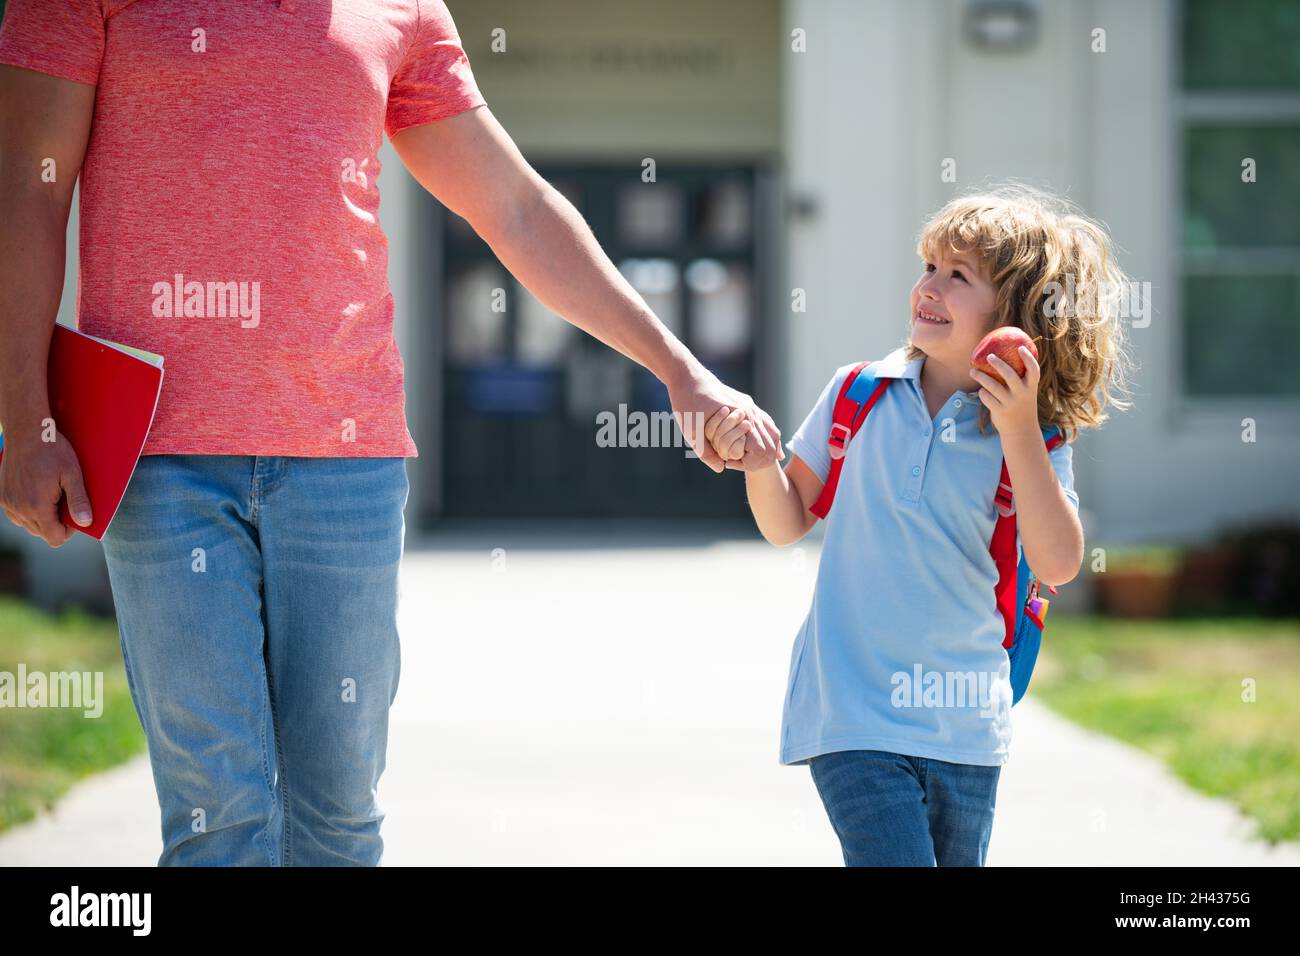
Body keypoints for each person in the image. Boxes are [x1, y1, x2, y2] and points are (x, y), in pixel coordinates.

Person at [0, 0, 779, 866]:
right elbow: (28, 190)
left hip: (346, 460)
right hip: (158, 453)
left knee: (337, 815)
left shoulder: (399, 8)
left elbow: (514, 209)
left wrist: (680, 370)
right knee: (219, 814)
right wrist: (25, 420)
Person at [733, 185, 1135, 866]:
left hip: (967, 726)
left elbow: (1059, 561)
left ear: (1015, 316)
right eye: (928, 267)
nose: (930, 287)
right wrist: (757, 463)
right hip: (852, 716)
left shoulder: (1032, 437)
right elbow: (787, 521)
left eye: (959, 276)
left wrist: (1018, 430)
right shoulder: (857, 394)